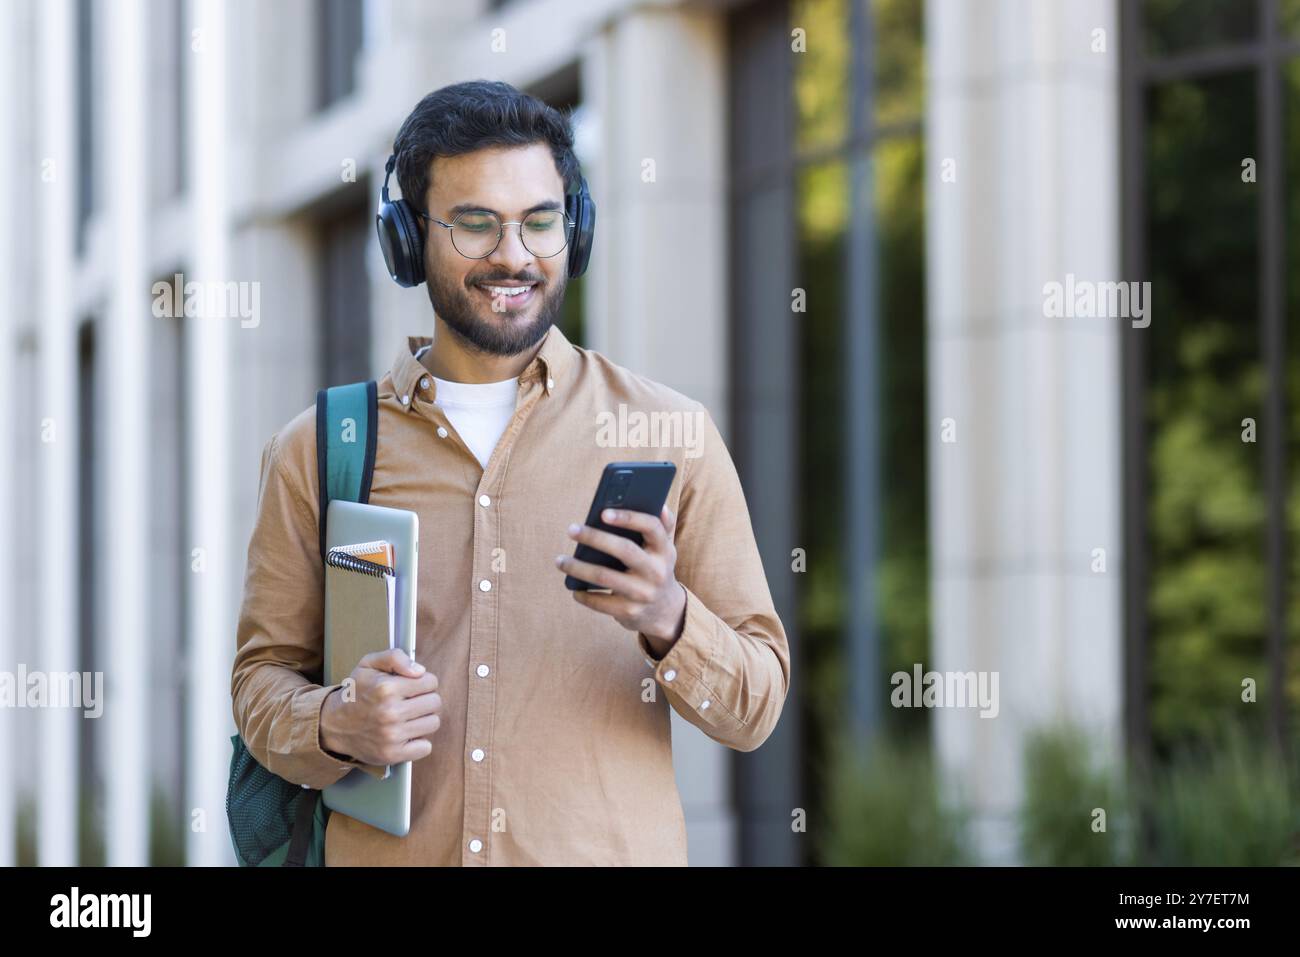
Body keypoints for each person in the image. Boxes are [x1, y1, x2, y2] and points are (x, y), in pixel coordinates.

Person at [231, 80, 789, 865]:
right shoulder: (320, 449)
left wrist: (668, 613)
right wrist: (335, 722)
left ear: (576, 231)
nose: (514, 256)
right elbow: (260, 682)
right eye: (475, 224)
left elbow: (756, 706)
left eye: (539, 222)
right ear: (406, 239)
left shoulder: (670, 434)